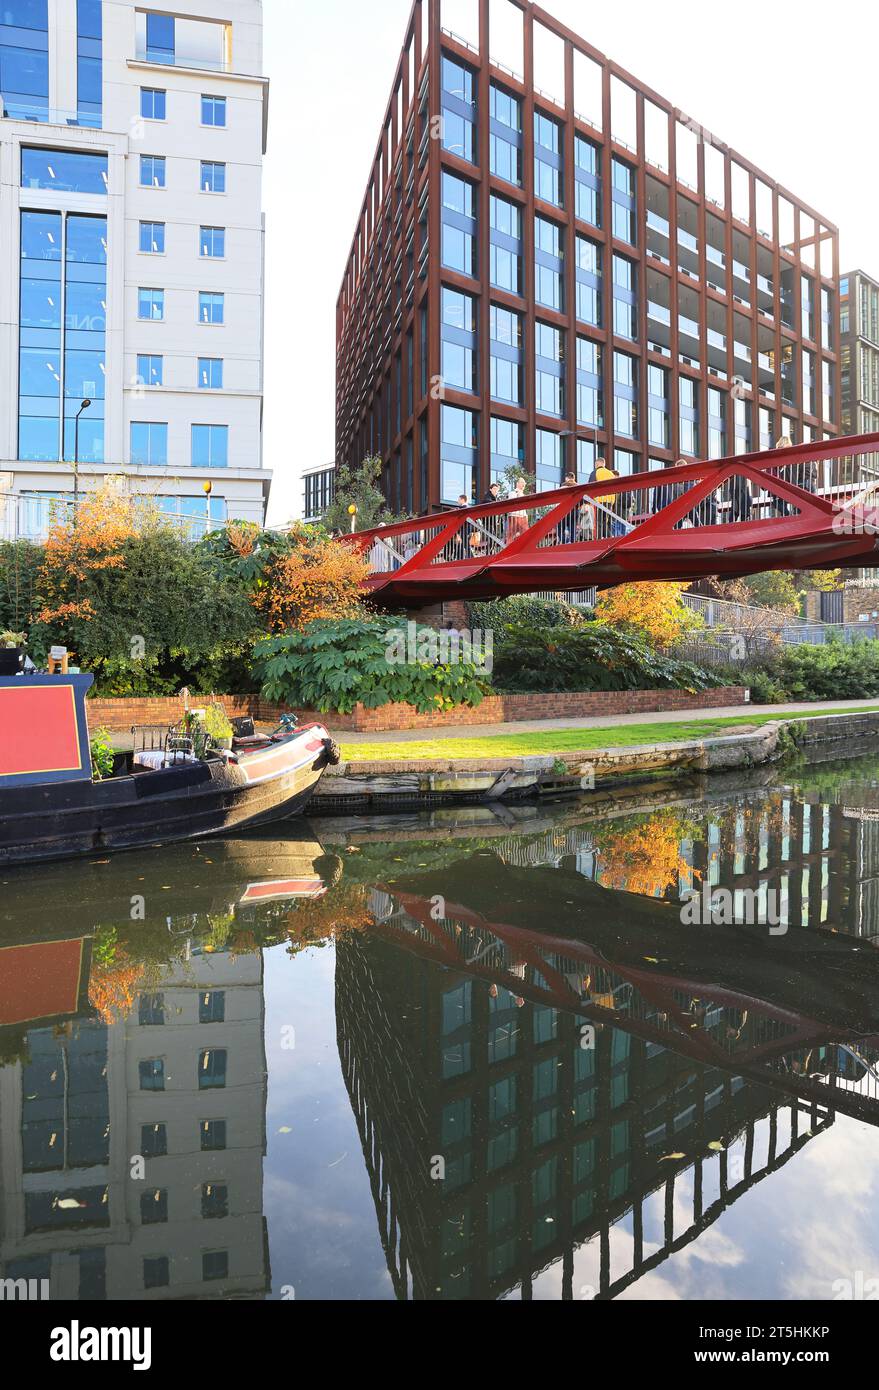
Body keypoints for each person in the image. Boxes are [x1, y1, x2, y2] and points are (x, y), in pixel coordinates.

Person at [506, 476, 529, 542]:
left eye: (524, 483)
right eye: (522, 482)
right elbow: (512, 503)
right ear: (517, 483)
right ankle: (509, 548)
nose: (523, 484)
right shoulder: (513, 493)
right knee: (511, 534)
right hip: (514, 515)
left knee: (525, 534)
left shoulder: (523, 494)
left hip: (522, 517)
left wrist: (526, 516)